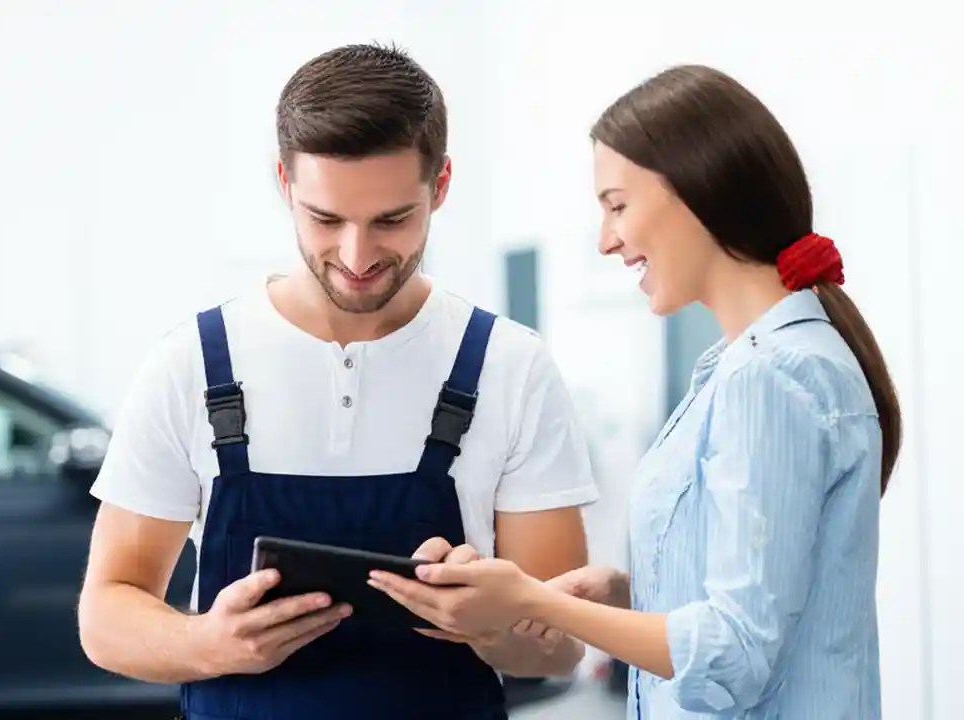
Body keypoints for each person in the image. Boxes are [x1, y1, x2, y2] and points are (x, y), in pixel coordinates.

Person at [76, 43, 601, 720]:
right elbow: (106, 614)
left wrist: (490, 625)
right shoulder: (193, 365)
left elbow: (560, 649)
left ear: (439, 187)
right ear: (285, 183)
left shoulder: (511, 367)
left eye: (392, 220)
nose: (357, 257)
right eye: (326, 220)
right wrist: (207, 642)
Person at [370, 64, 901, 719]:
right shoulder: (744, 369)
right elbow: (760, 601)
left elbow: (734, 653)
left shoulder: (771, 377)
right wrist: (626, 593)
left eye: (617, 205)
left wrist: (534, 602)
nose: (606, 240)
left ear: (700, 188)